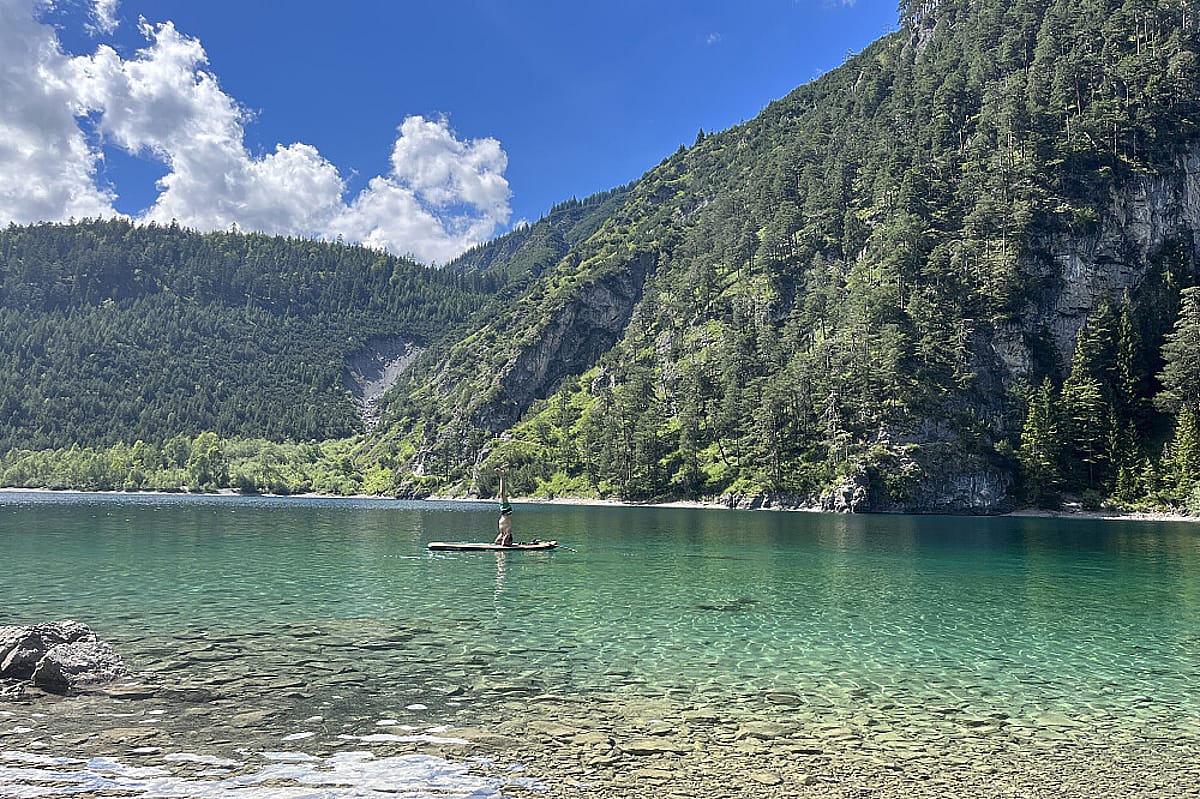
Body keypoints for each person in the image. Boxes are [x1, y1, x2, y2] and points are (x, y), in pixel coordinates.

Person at [493, 469, 513, 547]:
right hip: (506, 512)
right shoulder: (508, 532)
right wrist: (504, 543)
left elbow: (498, 542)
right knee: (502, 493)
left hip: (503, 512)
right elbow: (504, 543)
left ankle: (501, 477)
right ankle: (502, 477)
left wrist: (500, 542)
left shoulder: (502, 533)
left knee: (501, 494)